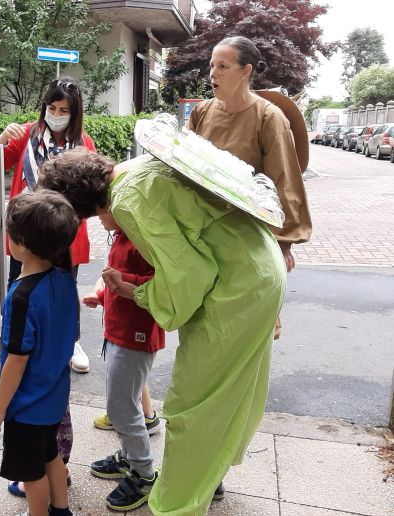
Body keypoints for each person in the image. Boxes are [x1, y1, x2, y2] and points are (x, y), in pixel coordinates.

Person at [38, 150, 287, 516]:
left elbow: (187, 279)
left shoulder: (128, 200)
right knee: (230, 392)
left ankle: (177, 506)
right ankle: (209, 474)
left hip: (238, 287)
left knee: (193, 405)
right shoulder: (131, 171)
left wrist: (135, 292)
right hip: (253, 269)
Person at [188, 35, 312, 341]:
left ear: (246, 71)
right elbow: (182, 163)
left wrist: (283, 245)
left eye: (223, 66)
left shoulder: (269, 117)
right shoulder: (202, 112)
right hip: (204, 232)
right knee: (209, 325)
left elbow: (285, 182)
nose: (213, 73)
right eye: (211, 65)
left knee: (249, 327)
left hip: (251, 235)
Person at [0, 189, 80, 516]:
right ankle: (61, 509)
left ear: (21, 244)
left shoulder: (22, 297)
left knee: (30, 470)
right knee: (51, 453)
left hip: (28, 405)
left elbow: (17, 359)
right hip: (54, 396)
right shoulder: (65, 280)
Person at [0, 76, 96, 373]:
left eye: (63, 110)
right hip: (26, 229)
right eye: (51, 107)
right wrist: (0, 141)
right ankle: (15, 339)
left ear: (74, 113)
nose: (55, 114)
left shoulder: (84, 143)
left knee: (63, 288)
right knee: (21, 285)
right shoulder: (25, 134)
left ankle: (70, 340)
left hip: (65, 231)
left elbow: (91, 189)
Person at [80, 210, 166, 511]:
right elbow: (115, 279)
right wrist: (103, 295)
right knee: (120, 403)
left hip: (136, 336)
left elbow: (161, 285)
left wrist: (121, 281)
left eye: (103, 210)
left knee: (122, 408)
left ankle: (144, 473)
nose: (99, 217)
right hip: (118, 332)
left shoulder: (145, 240)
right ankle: (129, 457)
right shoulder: (121, 235)